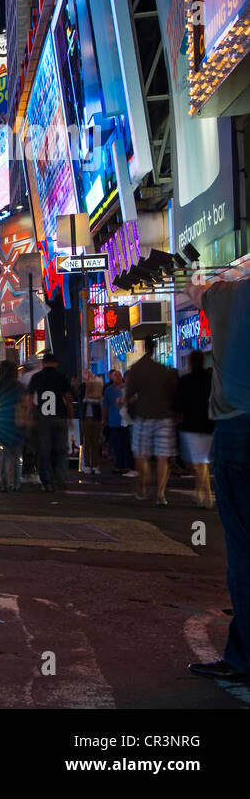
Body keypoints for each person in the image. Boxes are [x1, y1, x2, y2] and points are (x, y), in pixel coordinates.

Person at [186, 270, 250, 681]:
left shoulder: (230, 295)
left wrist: (215, 280)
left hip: (238, 429)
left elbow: (195, 290)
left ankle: (244, 656)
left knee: (243, 547)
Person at [124, 335, 179, 505]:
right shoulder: (163, 370)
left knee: (141, 454)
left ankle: (143, 484)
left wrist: (133, 412)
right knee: (163, 456)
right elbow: (173, 393)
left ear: (143, 347)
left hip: (143, 415)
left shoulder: (136, 369)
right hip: (164, 416)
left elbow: (129, 395)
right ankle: (160, 493)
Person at [27, 351, 75, 492]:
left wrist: (33, 411)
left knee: (44, 450)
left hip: (43, 417)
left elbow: (29, 398)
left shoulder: (36, 377)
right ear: (56, 363)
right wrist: (70, 416)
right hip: (60, 416)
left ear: (43, 363)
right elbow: (69, 398)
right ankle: (60, 478)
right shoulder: (61, 377)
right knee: (61, 450)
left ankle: (47, 481)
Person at [175, 350, 215, 509]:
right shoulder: (210, 379)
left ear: (190, 362)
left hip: (191, 425)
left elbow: (177, 403)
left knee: (197, 463)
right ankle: (200, 492)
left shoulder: (186, 381)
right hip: (208, 424)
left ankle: (206, 493)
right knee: (202, 461)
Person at [0, 361, 24, 492]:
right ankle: (16, 484)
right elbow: (23, 404)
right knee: (17, 455)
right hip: (16, 421)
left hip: (1, 422)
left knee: (5, 454)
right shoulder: (18, 386)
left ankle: (5, 484)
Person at [102, 369, 133, 475]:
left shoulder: (126, 388)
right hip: (113, 420)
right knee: (116, 444)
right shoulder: (108, 390)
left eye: (119, 375)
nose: (118, 378)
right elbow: (105, 405)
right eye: (116, 376)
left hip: (126, 420)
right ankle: (119, 465)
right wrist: (104, 419)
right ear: (111, 378)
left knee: (126, 444)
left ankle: (128, 465)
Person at [79, 373, 104, 475]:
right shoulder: (83, 387)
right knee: (87, 441)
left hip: (96, 417)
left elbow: (100, 399)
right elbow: (80, 397)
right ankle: (87, 464)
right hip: (86, 417)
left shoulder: (98, 386)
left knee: (95, 442)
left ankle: (95, 464)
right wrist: (86, 387)